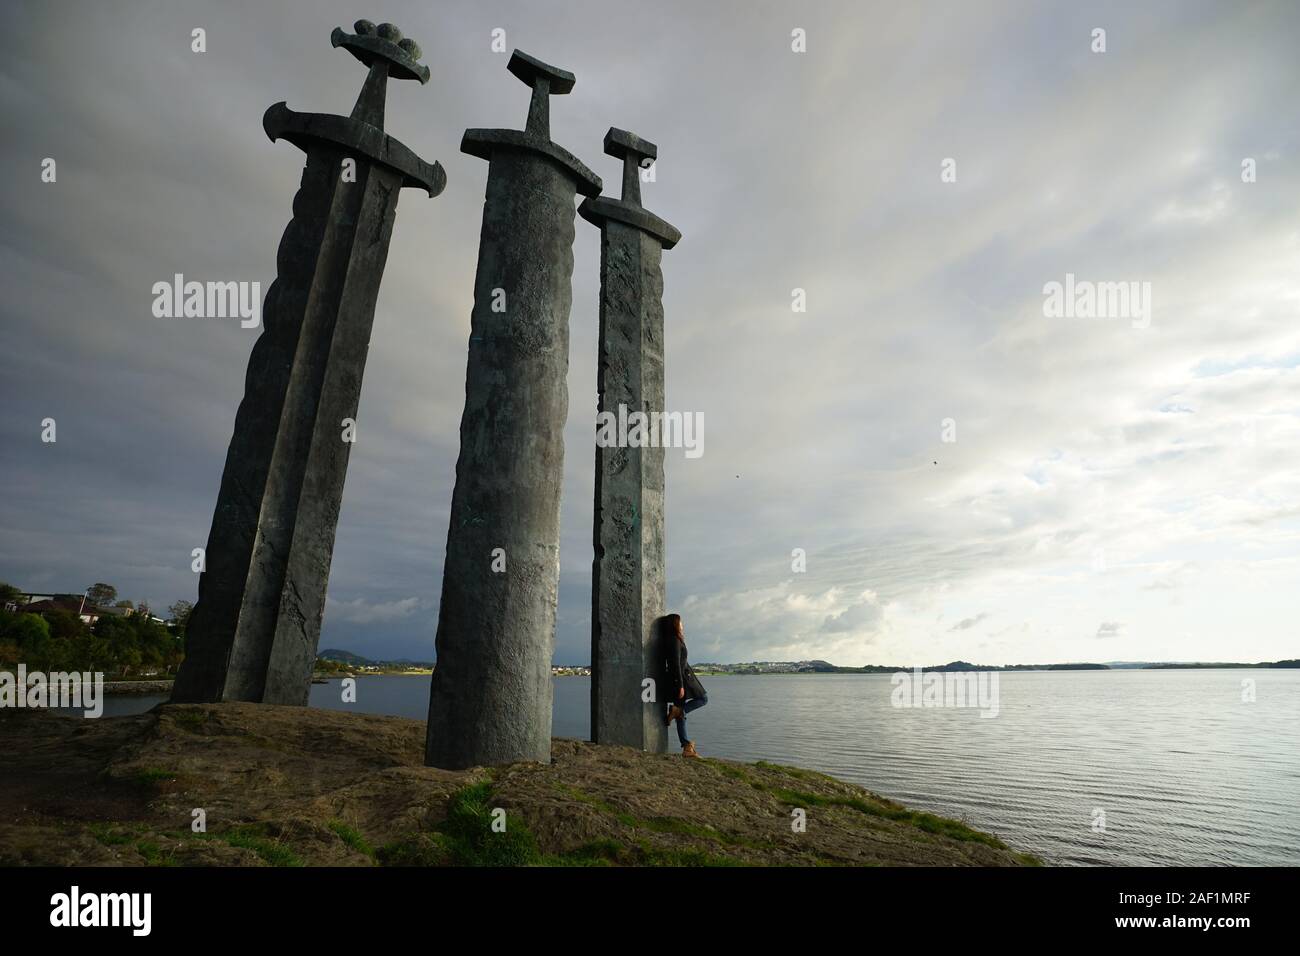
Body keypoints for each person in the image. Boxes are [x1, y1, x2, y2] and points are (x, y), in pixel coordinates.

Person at [662, 613, 707, 758]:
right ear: (675, 624)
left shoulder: (674, 639)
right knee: (703, 699)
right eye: (680, 622)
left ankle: (687, 747)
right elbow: (675, 664)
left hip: (681, 679)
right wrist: (680, 685)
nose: (682, 625)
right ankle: (677, 711)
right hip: (682, 680)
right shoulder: (674, 640)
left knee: (681, 712)